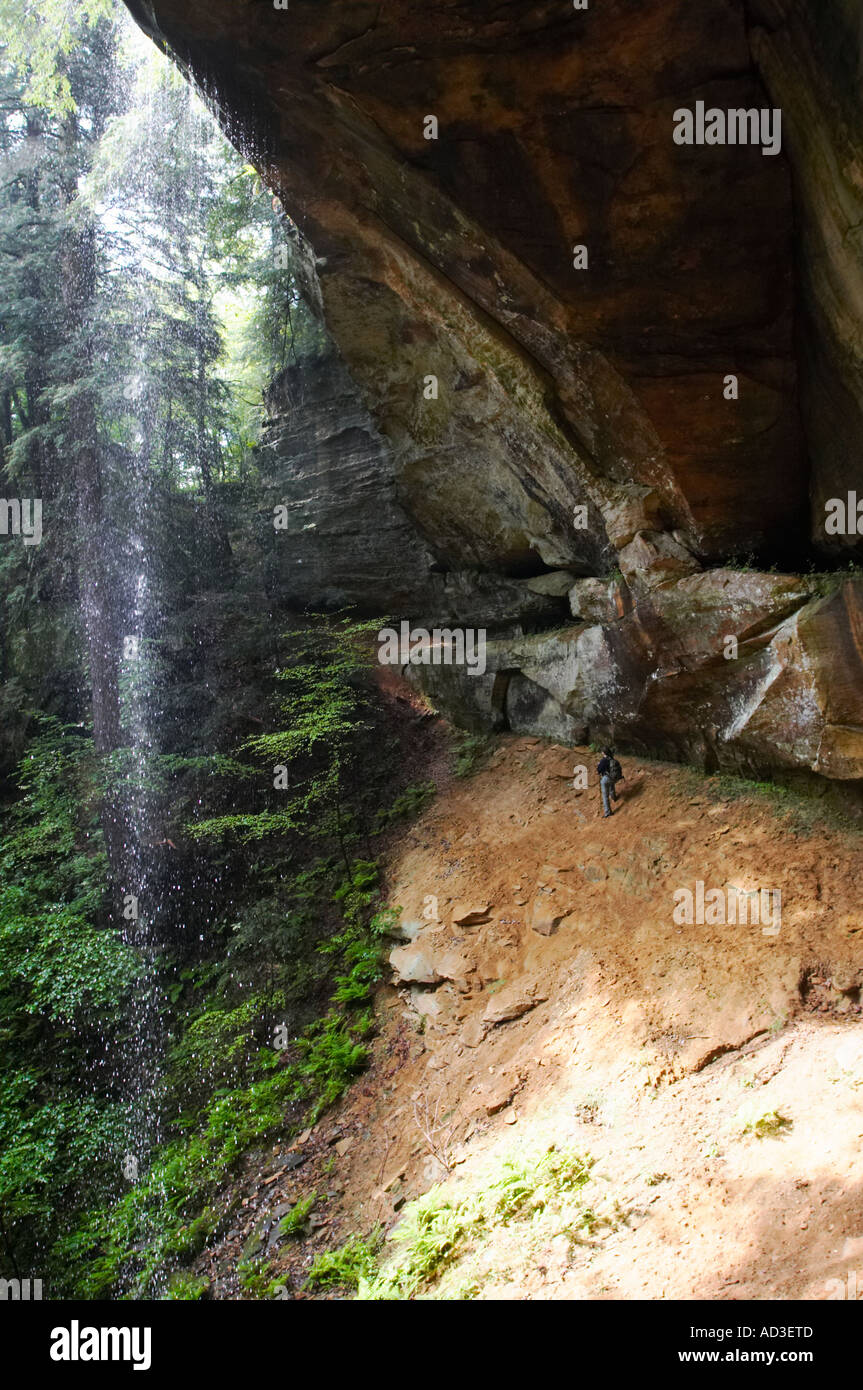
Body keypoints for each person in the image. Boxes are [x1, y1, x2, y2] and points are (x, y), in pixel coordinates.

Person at [597, 746, 624, 818]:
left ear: (603, 753)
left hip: (606, 779)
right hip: (615, 778)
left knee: (605, 796)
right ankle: (614, 797)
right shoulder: (612, 759)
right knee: (611, 784)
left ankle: (608, 812)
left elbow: (599, 770)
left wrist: (599, 765)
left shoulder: (603, 760)